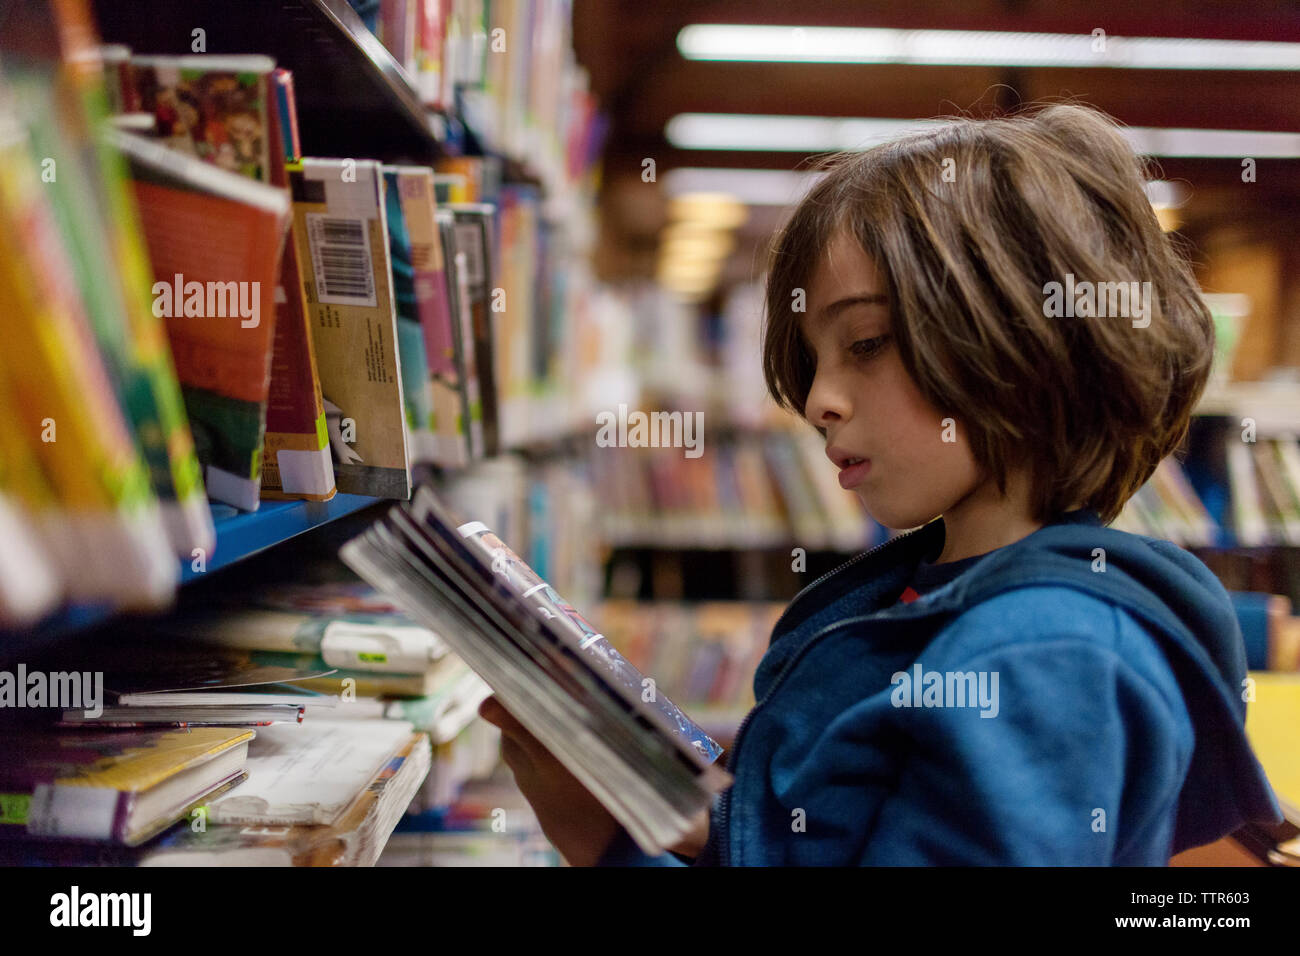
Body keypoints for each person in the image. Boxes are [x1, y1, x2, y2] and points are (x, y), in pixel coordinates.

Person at [480, 103, 1283, 865]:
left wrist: (611, 846)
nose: (817, 401)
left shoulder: (1040, 656)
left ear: (1019, 341)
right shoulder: (930, 589)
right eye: (814, 359)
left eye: (864, 343)